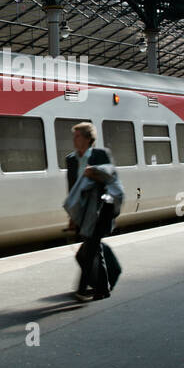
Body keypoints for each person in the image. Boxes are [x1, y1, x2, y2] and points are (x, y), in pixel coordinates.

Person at [64, 122, 122, 301]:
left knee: (88, 250)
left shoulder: (101, 154)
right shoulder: (71, 160)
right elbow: (72, 188)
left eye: (77, 136)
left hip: (100, 209)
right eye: (74, 136)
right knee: (93, 249)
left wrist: (95, 174)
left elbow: (112, 179)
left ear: (88, 139)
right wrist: (72, 216)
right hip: (83, 211)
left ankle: (82, 289)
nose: (74, 140)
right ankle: (103, 288)